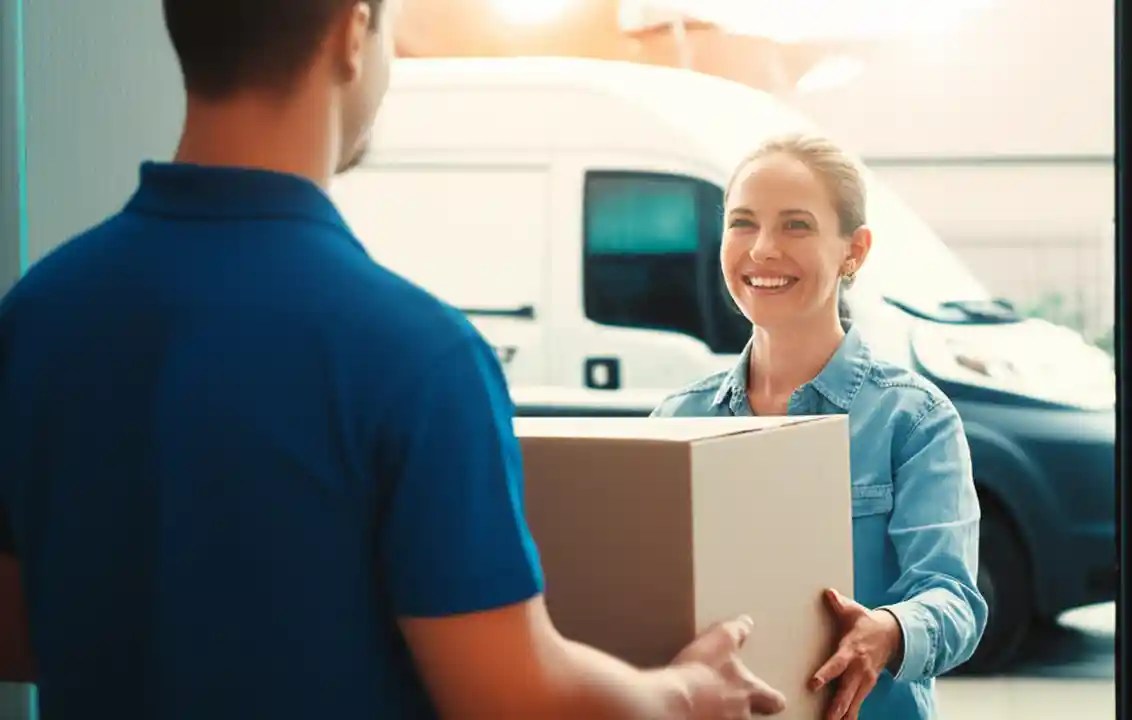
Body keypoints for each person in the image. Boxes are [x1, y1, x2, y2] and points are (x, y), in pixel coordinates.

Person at [0, 1, 787, 717]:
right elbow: (511, 696)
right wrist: (685, 694)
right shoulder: (415, 355)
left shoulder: (37, 312)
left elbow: (14, 632)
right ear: (352, 30)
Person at [652, 133, 989, 720]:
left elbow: (954, 600)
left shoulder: (912, 419)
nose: (762, 249)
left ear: (853, 250)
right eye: (743, 223)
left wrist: (888, 629)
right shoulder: (676, 420)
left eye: (796, 226)